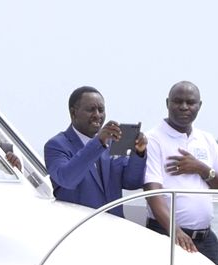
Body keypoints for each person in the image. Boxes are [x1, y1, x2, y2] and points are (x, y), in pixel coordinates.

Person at [142, 81, 218, 263]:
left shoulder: (206, 139)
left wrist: (201, 169)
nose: (184, 107)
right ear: (167, 103)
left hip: (206, 239)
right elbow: (153, 193)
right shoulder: (153, 139)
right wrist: (176, 232)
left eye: (190, 102)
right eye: (178, 101)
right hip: (167, 236)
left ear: (199, 106)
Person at [44, 86, 147, 217]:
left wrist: (139, 153)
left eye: (101, 110)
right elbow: (67, 179)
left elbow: (131, 182)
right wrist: (98, 142)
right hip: (78, 228)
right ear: (73, 113)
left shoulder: (112, 142)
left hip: (115, 227)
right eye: (90, 110)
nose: (97, 115)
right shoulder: (56, 145)